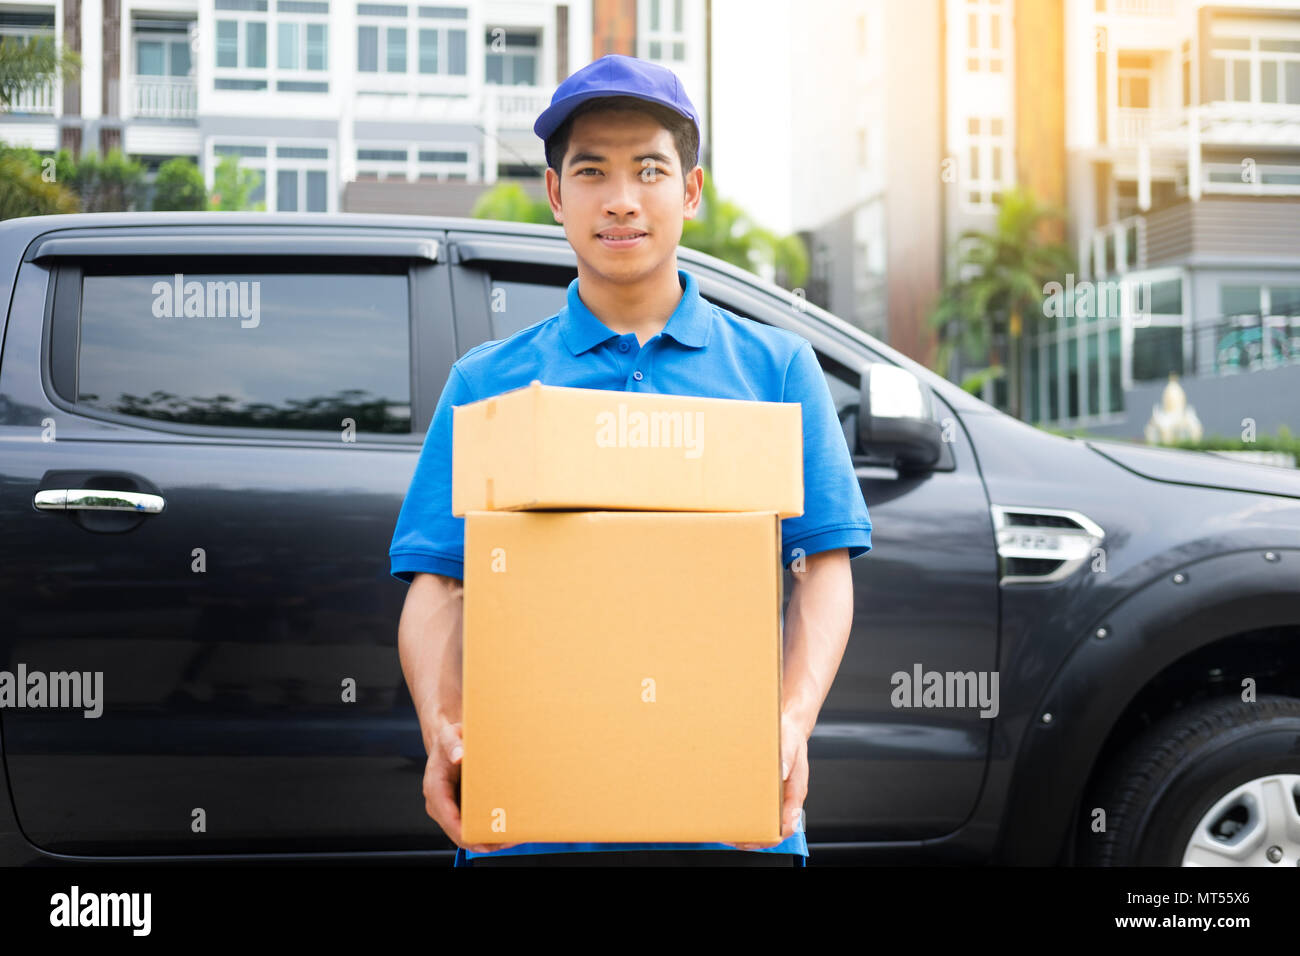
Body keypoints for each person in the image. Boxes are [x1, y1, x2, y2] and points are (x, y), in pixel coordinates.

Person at [390, 53, 872, 867]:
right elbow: (439, 580)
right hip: (533, 831)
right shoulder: (487, 383)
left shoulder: (778, 370)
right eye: (591, 171)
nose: (621, 199)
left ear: (689, 191)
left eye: (649, 169)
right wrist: (444, 726)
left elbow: (822, 566)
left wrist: (789, 724)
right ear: (556, 195)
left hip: (730, 826)